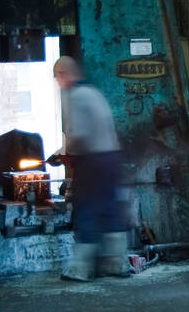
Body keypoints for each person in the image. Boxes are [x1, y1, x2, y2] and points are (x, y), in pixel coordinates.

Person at [49, 56, 129, 280]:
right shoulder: (94, 92)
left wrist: (64, 153)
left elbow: (80, 136)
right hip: (111, 158)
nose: (57, 82)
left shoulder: (76, 96)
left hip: (92, 161)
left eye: (57, 76)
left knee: (86, 209)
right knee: (110, 208)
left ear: (64, 74)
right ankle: (117, 264)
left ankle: (79, 269)